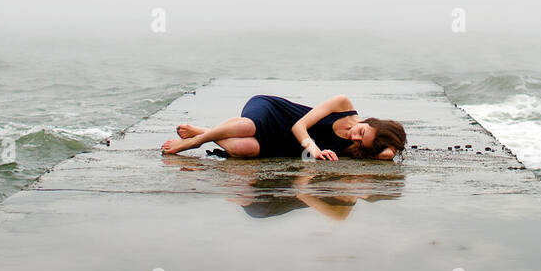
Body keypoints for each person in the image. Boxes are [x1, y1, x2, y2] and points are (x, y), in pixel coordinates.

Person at [160, 94, 406, 160]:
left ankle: (204, 131)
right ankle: (195, 140)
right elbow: (300, 126)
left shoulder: (357, 147)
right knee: (246, 127)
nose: (354, 136)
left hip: (278, 143)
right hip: (274, 113)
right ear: (370, 121)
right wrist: (313, 148)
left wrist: (387, 149)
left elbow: (386, 154)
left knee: (246, 150)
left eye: (360, 141)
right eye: (361, 131)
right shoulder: (343, 104)